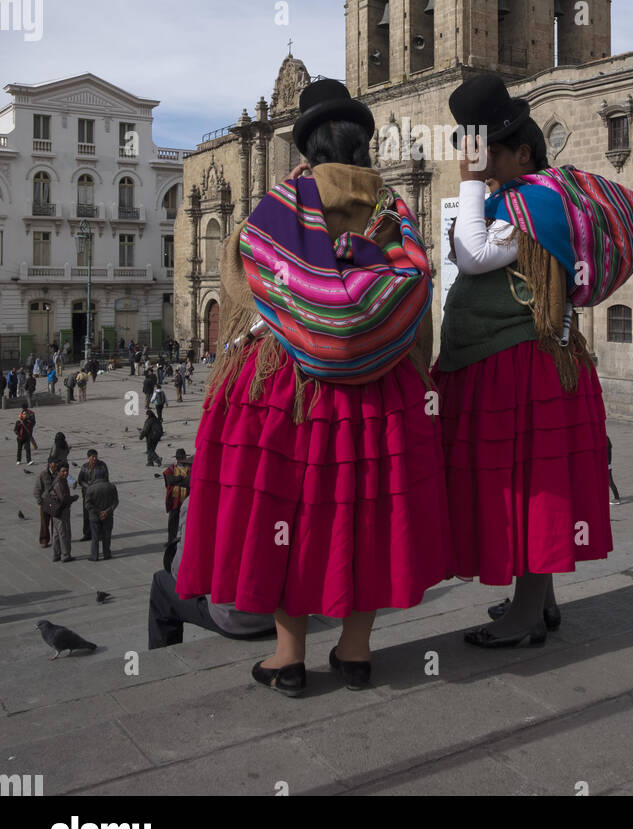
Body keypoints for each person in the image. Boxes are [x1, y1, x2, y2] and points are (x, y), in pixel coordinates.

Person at [175, 79, 449, 695]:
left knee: (287, 516)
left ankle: (289, 655)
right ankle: (355, 654)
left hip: (290, 395)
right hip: (380, 394)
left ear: (306, 146)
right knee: (365, 519)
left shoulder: (278, 206)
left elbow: (243, 302)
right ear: (361, 148)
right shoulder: (392, 212)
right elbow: (418, 306)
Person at [433, 74, 633, 649]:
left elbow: (470, 252)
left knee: (526, 488)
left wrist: (466, 186)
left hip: (521, 369)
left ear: (522, 154)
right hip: (520, 364)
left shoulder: (533, 204)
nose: (479, 162)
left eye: (489, 153)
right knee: (531, 484)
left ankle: (526, 615)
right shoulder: (519, 200)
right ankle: (542, 601)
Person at [149, 504, 275, 648]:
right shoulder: (273, 497)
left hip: (237, 619)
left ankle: (165, 658)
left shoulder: (200, 501)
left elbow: (185, 575)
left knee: (161, 583)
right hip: (281, 615)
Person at [46, 462, 78, 562]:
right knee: (64, 532)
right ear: (58, 471)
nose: (66, 473)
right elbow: (63, 499)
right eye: (63, 471)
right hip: (61, 510)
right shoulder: (59, 482)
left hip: (56, 510)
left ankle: (56, 554)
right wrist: (73, 498)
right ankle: (65, 555)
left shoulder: (61, 480)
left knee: (56, 533)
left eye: (67, 471)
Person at [76, 450, 109, 542]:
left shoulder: (102, 466)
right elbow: (80, 480)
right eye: (92, 457)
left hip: (99, 495)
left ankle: (100, 534)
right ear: (88, 457)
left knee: (99, 514)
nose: (94, 459)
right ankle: (87, 534)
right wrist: (88, 487)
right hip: (87, 495)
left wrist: (97, 487)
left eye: (96, 456)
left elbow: (106, 479)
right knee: (87, 515)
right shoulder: (84, 467)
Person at [85, 473, 119, 560]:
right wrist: (106, 512)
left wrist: (98, 512)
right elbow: (115, 502)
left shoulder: (90, 489)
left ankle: (95, 555)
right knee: (107, 535)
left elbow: (87, 504)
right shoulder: (111, 487)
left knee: (95, 536)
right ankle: (106, 554)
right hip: (108, 516)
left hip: (95, 516)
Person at [163, 449, 192, 544]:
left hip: (186, 500)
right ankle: (171, 540)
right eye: (179, 458)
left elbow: (189, 482)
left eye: (182, 458)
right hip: (175, 500)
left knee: (186, 522)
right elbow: (169, 480)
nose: (180, 460)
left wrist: (177, 481)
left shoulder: (190, 469)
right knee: (172, 521)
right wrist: (181, 479)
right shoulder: (171, 468)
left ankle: (185, 540)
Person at [34, 458, 58, 546]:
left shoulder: (58, 473)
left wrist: (73, 482)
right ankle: (44, 540)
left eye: (56, 464)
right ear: (49, 464)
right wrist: (39, 500)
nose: (55, 465)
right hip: (45, 502)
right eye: (54, 463)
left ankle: (55, 539)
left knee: (55, 522)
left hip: (56, 502)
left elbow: (67, 477)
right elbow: (37, 488)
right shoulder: (43, 474)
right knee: (44, 522)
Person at [608, 434, 621, 504]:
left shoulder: (605, 442)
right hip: (607, 465)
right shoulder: (607, 441)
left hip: (606, 466)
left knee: (610, 482)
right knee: (608, 482)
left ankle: (617, 498)